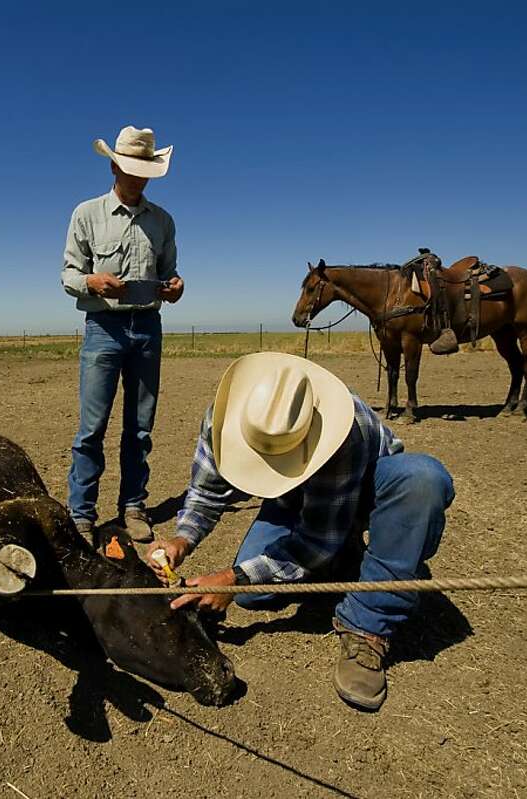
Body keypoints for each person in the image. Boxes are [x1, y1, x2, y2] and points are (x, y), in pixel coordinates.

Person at [149, 353, 454, 711]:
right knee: (253, 596)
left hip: (363, 491)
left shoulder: (345, 430)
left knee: (421, 481)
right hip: (297, 500)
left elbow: (317, 541)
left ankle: (368, 625)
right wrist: (182, 539)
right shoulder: (226, 416)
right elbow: (206, 492)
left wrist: (234, 578)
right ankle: (346, 559)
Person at [61, 125, 185, 544]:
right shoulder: (86, 214)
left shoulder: (163, 221)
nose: (140, 177)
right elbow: (68, 274)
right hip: (104, 328)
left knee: (140, 428)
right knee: (91, 428)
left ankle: (133, 506)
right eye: (133, 169)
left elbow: (170, 275)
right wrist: (93, 282)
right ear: (114, 167)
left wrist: (176, 287)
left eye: (146, 170)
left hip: (148, 328)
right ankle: (81, 514)